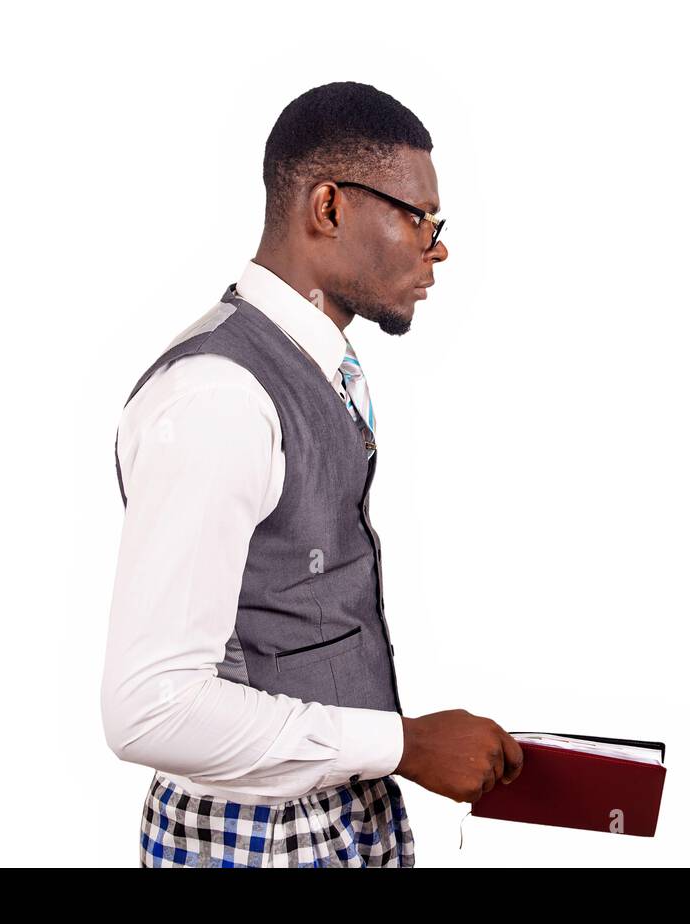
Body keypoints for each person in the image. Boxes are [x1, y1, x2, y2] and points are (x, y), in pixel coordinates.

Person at [101, 81, 524, 868]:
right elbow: (147, 712)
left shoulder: (313, 362)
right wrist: (403, 742)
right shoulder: (217, 396)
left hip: (344, 807)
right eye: (418, 218)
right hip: (257, 834)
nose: (438, 247)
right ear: (328, 207)